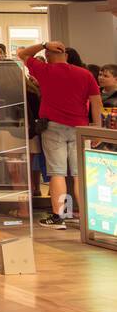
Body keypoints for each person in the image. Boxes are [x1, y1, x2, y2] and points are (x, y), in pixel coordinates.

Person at [16, 40, 101, 228]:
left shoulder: (44, 70)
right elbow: (96, 103)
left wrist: (44, 44)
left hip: (53, 127)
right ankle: (87, 217)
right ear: (66, 55)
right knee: (80, 175)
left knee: (58, 173)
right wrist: (97, 129)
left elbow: (21, 53)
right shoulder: (85, 74)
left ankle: (59, 217)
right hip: (80, 128)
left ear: (47, 56)